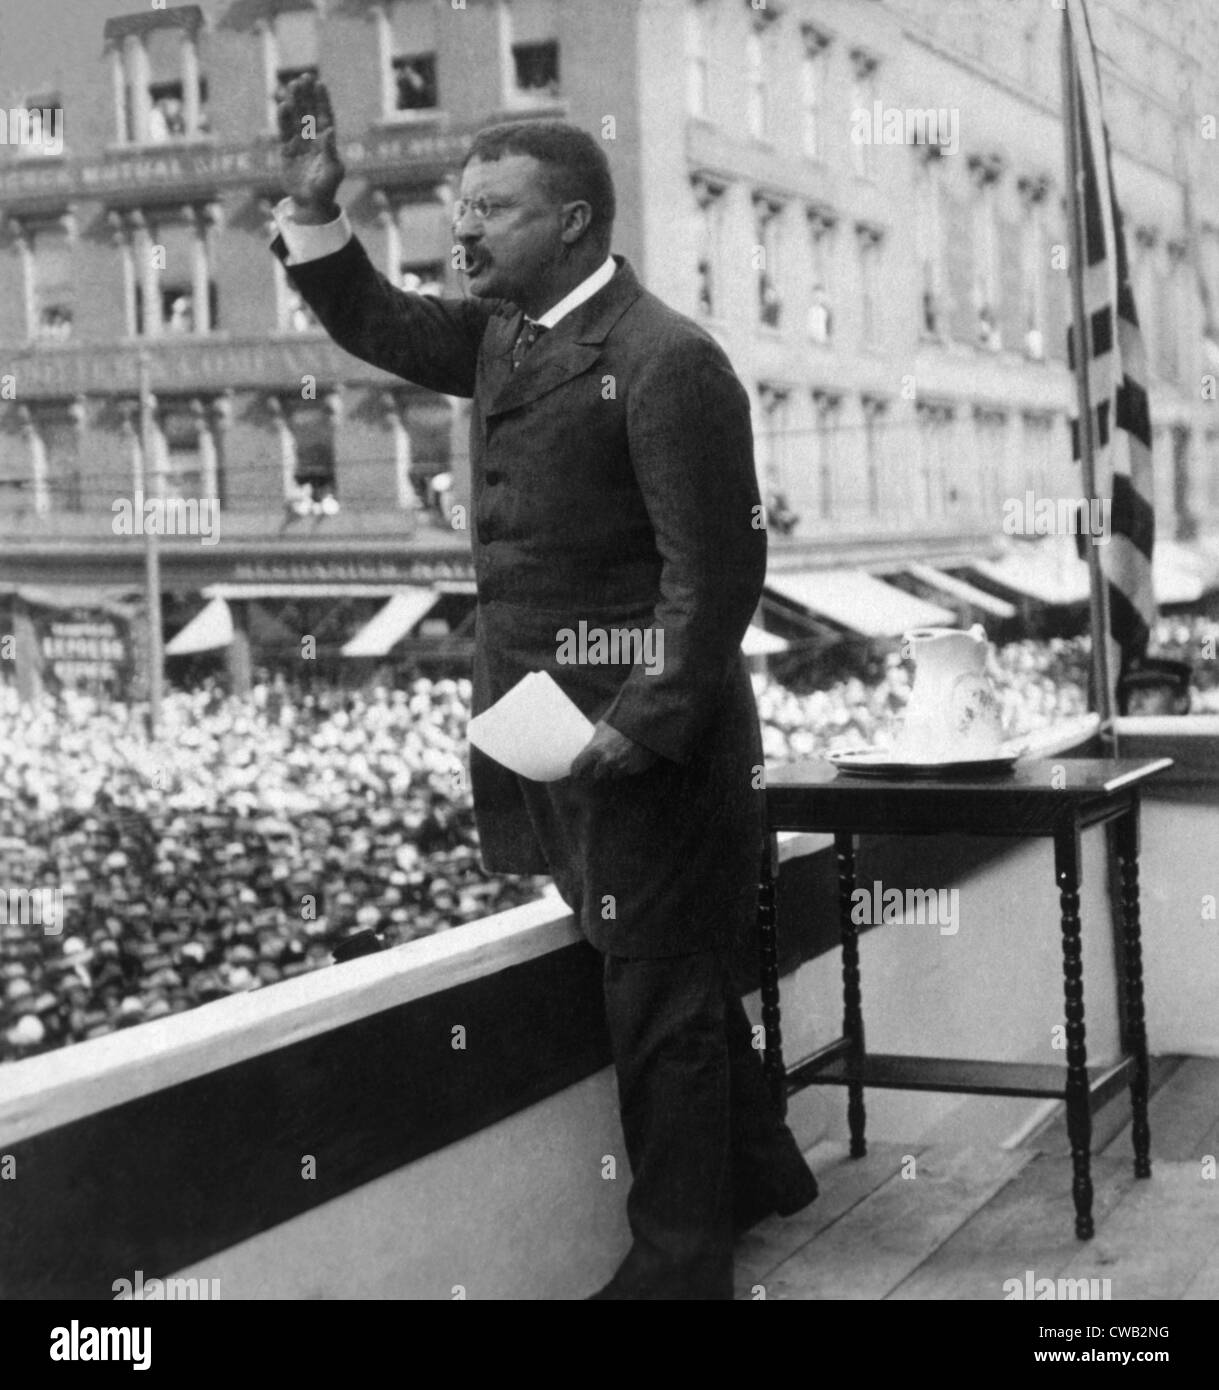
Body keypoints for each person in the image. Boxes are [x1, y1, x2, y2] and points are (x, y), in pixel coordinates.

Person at [272, 77, 817, 1300]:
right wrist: (318, 213)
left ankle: (681, 1262)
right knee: (654, 967)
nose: (461, 233)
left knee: (658, 998)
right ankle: (761, 1168)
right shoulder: (504, 333)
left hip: (642, 751)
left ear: (574, 222)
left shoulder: (667, 359)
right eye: (460, 209)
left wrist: (643, 727)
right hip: (544, 741)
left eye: (492, 212)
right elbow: (375, 319)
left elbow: (716, 571)